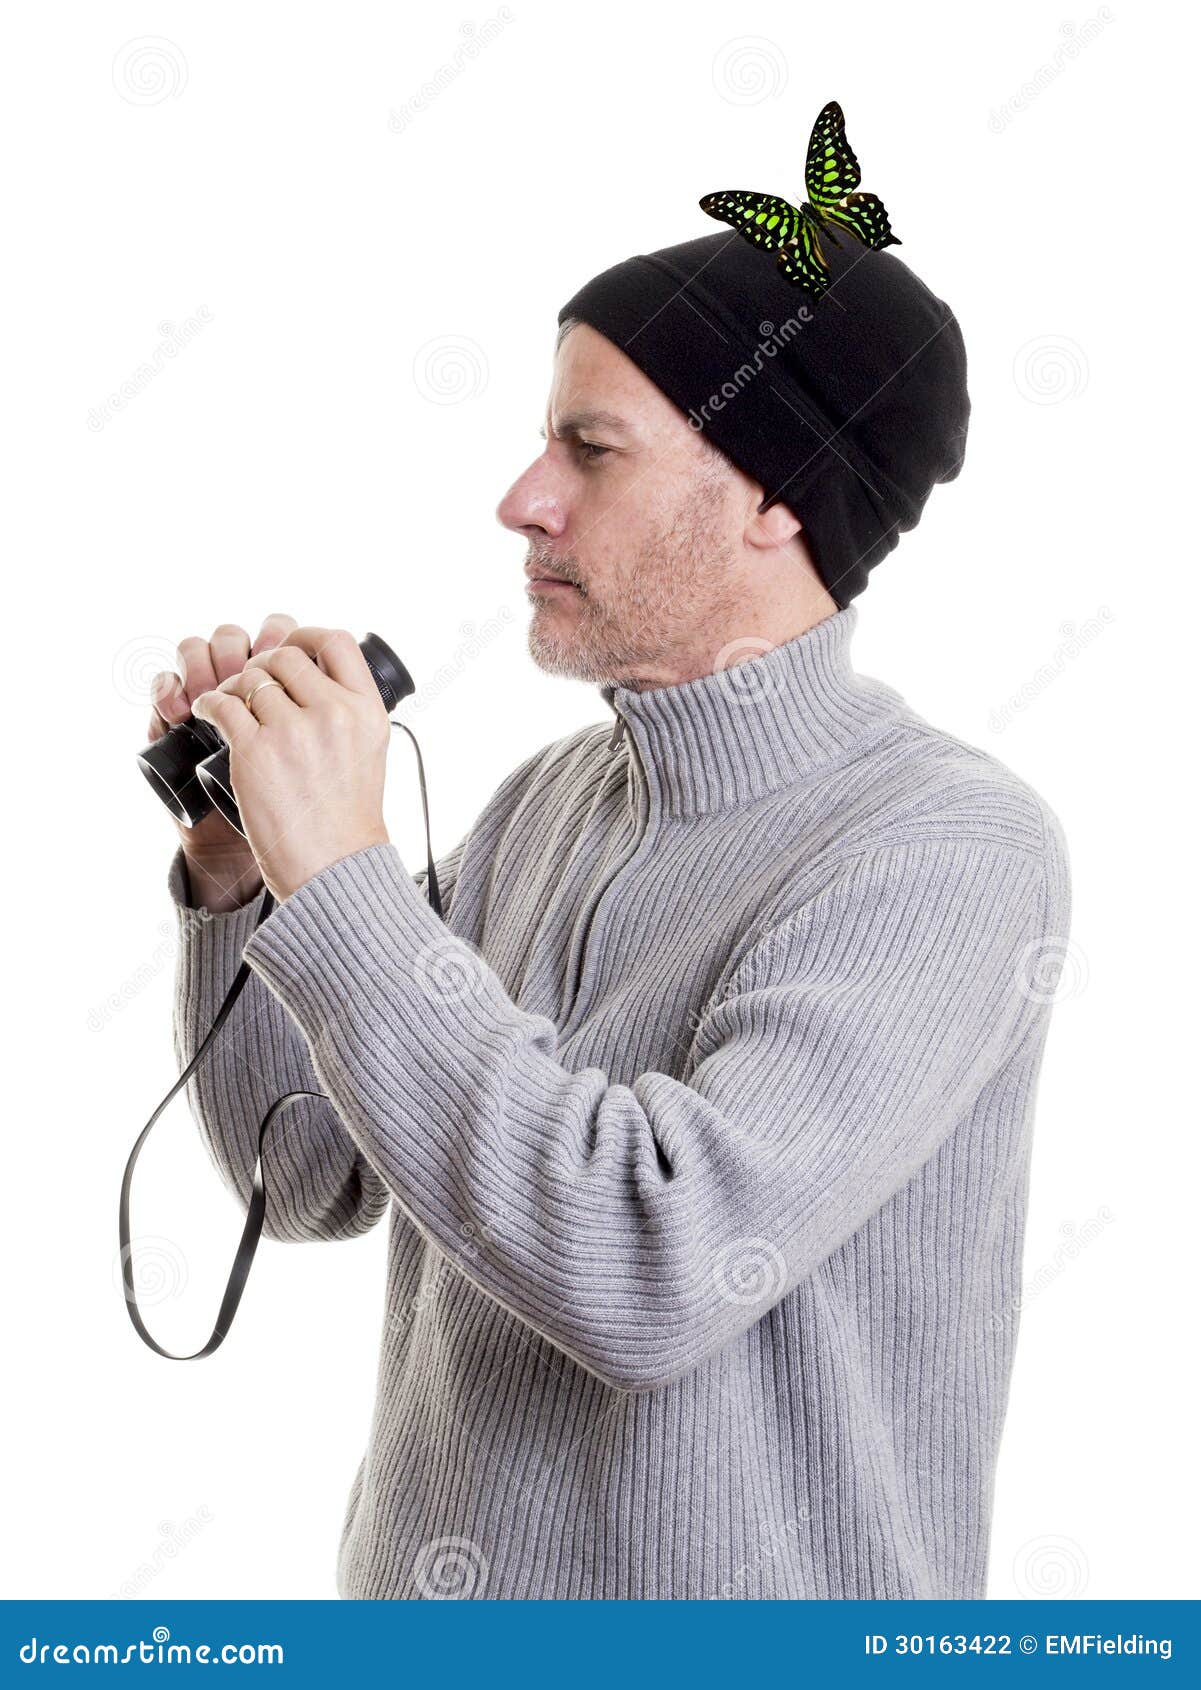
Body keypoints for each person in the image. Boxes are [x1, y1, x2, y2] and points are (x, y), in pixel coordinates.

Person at [146, 227, 1071, 1600]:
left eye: (591, 448)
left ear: (773, 496)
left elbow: (649, 1268)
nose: (522, 498)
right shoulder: (554, 798)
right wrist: (243, 872)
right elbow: (306, 1173)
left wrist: (342, 879)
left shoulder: (941, 847)